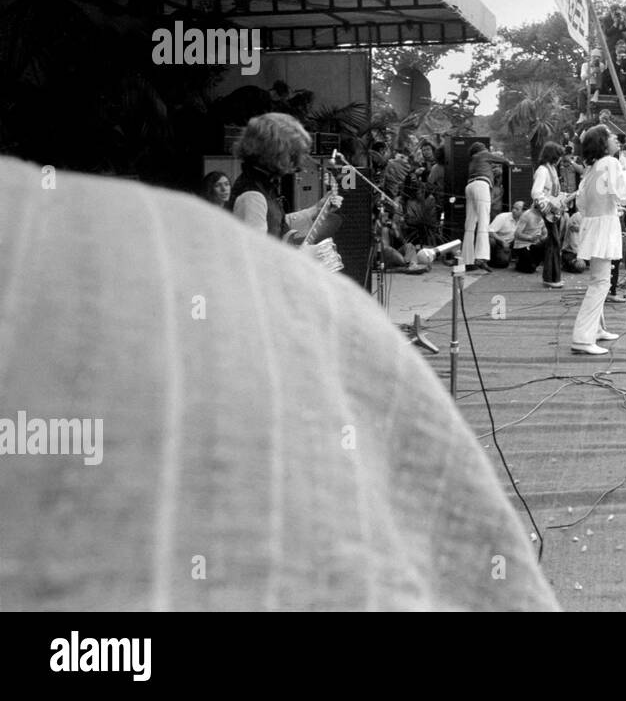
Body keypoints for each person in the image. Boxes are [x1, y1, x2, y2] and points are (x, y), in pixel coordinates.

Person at [0, 154, 558, 611]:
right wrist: (300, 263)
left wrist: (319, 214)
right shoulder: (238, 214)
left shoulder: (243, 208)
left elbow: (279, 231)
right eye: (296, 158)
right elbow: (255, 252)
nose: (302, 163)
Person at [571, 124, 626, 355]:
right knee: (600, 283)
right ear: (602, 142)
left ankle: (596, 329)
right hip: (603, 227)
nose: (615, 138)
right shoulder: (609, 163)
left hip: (594, 225)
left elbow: (581, 203)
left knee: (600, 280)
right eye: (610, 136)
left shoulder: (591, 168)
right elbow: (623, 194)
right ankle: (582, 338)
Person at [228, 112, 341, 238]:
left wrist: (316, 210)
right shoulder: (252, 196)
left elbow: (277, 223)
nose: (297, 162)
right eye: (293, 155)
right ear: (274, 153)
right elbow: (257, 251)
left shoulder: (262, 185)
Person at [462, 141, 511, 272]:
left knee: (470, 224)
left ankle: (467, 259)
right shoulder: (483, 154)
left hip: (470, 186)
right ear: (482, 149)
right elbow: (503, 160)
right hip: (481, 186)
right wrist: (509, 163)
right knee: (484, 221)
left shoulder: (473, 161)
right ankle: (481, 257)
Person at [532, 141, 572, 289]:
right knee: (553, 242)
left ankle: (553, 276)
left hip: (554, 210)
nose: (561, 159)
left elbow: (552, 192)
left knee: (554, 242)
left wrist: (562, 199)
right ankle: (550, 277)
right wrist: (548, 207)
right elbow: (536, 192)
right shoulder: (543, 170)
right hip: (548, 211)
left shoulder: (552, 170)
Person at [488, 200, 523, 268]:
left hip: (512, 243)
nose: (513, 210)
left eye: (517, 209)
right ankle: (490, 260)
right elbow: (490, 231)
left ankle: (515, 259)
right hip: (498, 242)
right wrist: (502, 241)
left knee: (504, 263)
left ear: (523, 211)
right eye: (513, 208)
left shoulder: (524, 220)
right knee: (490, 241)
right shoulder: (503, 217)